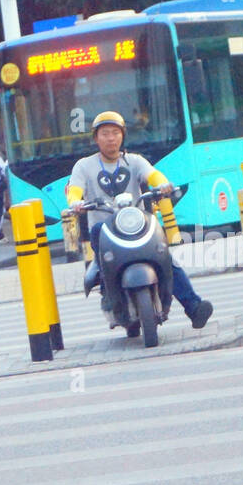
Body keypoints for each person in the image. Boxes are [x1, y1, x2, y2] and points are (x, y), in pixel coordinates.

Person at [68, 111, 214, 329]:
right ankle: (109, 295)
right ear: (96, 138)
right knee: (97, 229)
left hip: (136, 225)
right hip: (106, 231)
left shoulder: (135, 161)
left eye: (115, 133)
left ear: (123, 136)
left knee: (166, 258)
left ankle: (193, 307)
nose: (111, 138)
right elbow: (75, 190)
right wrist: (75, 202)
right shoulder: (84, 165)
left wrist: (163, 185)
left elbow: (153, 175)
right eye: (105, 133)